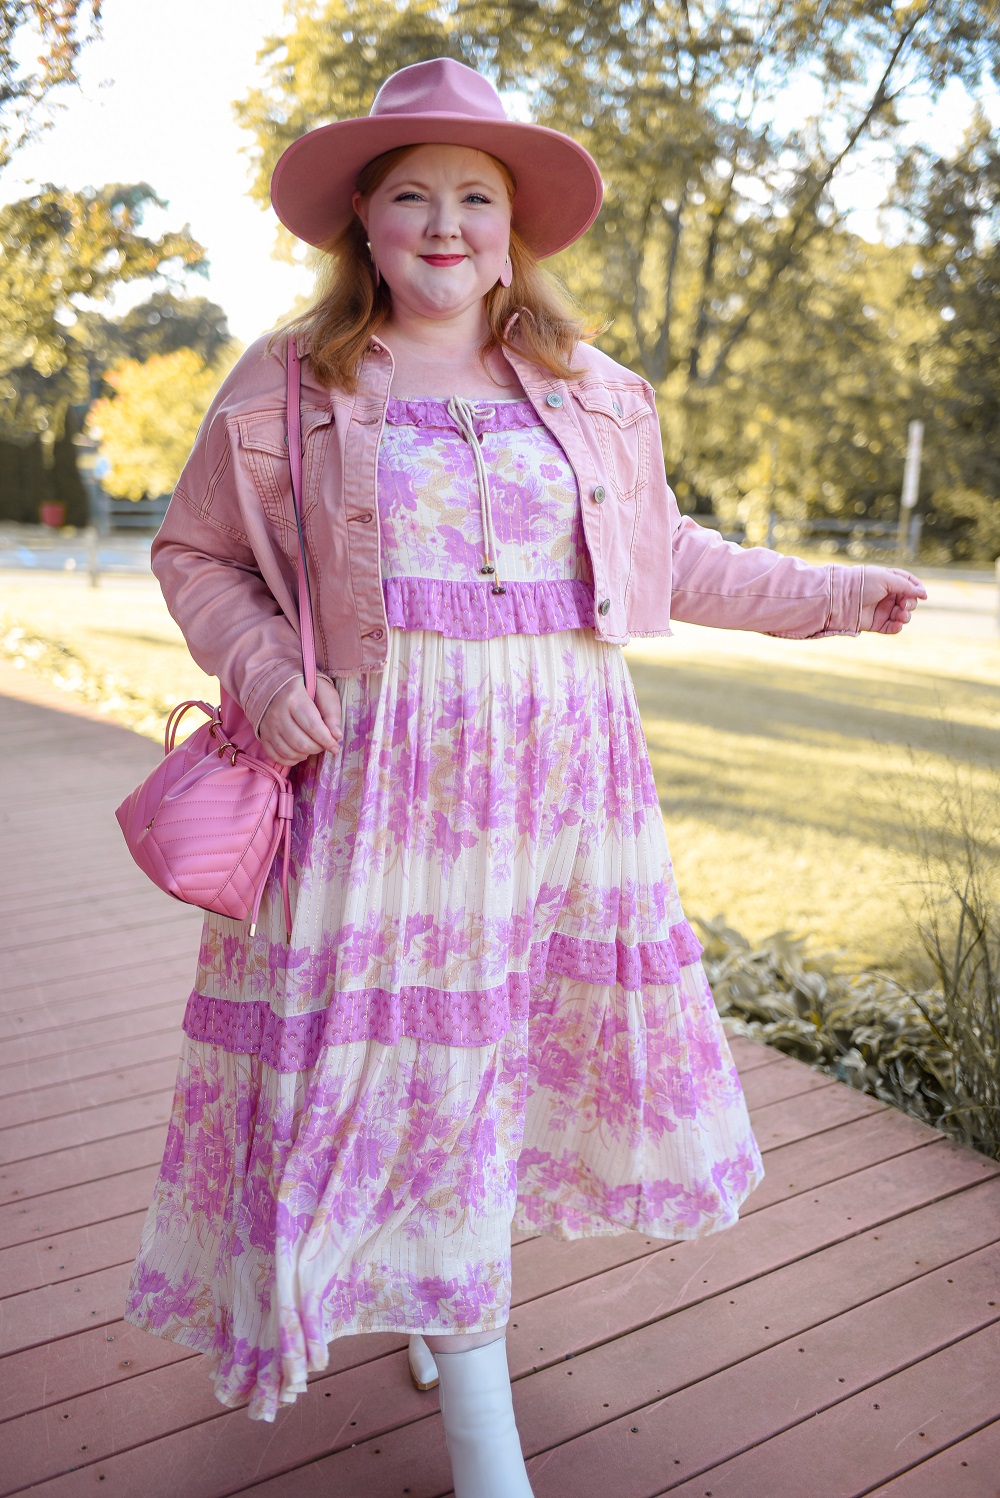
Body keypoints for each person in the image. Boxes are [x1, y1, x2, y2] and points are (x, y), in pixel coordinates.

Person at [123, 56, 926, 1497]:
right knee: (402, 1068)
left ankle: (444, 1297)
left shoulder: (590, 386)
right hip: (375, 794)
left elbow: (667, 560)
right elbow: (195, 554)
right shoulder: (289, 383)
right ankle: (482, 1433)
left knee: (488, 1067)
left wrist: (835, 595)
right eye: (411, 195)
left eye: (475, 197)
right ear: (361, 225)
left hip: (555, 791)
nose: (445, 224)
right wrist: (257, 670)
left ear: (515, 226)